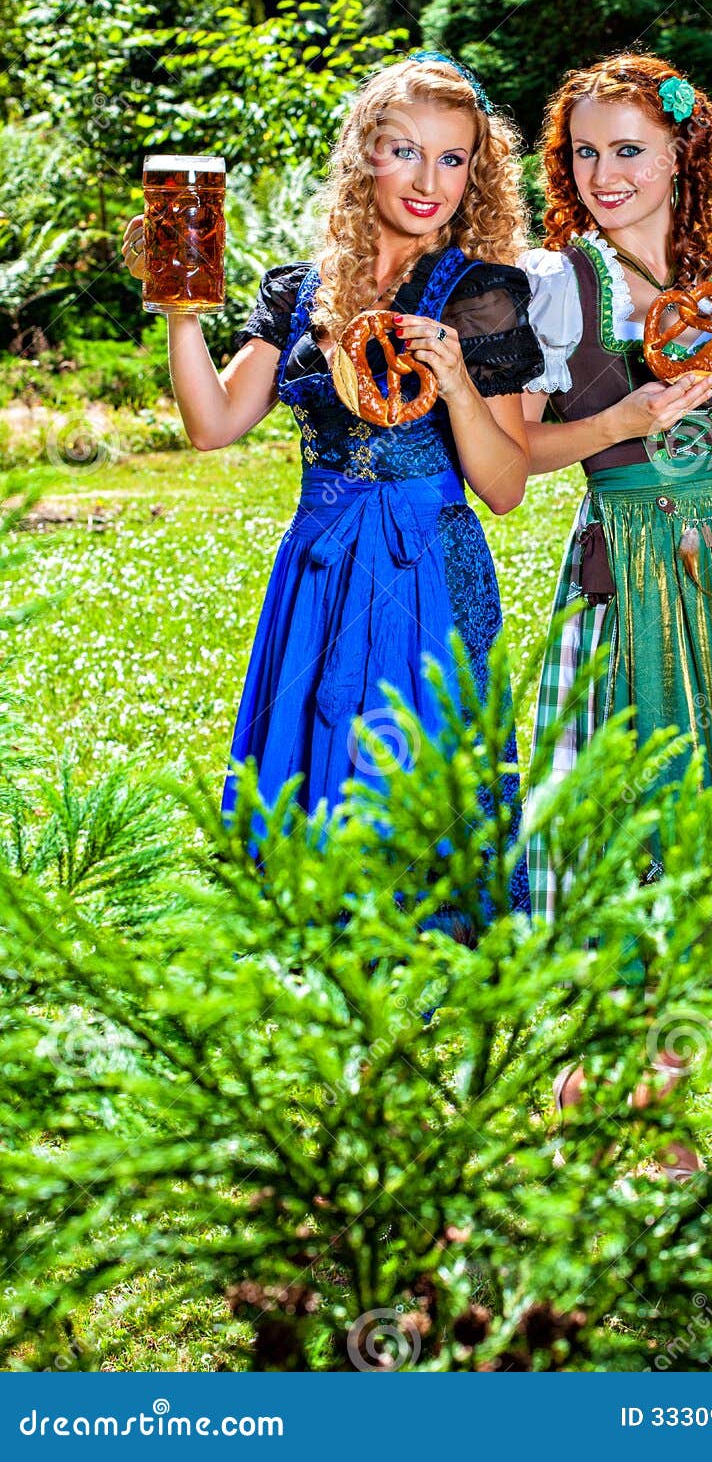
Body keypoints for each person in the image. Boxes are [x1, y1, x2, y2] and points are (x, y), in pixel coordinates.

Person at [121, 53, 544, 933]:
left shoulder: (483, 295)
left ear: (477, 171)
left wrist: (460, 384)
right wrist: (181, 306)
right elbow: (213, 424)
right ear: (364, 154)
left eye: (454, 159)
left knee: (406, 746)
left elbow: (504, 488)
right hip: (319, 557)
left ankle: (420, 945)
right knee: (312, 727)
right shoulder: (300, 288)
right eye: (405, 152)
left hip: (425, 560)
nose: (430, 180)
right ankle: (310, 931)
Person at [519, 54, 712, 1171]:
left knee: (711, 813)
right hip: (626, 571)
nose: (604, 173)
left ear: (682, 157)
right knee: (631, 814)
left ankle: (623, 1088)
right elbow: (509, 458)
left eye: (628, 150)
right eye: (585, 152)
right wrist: (625, 419)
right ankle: (616, 1088)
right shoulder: (560, 287)